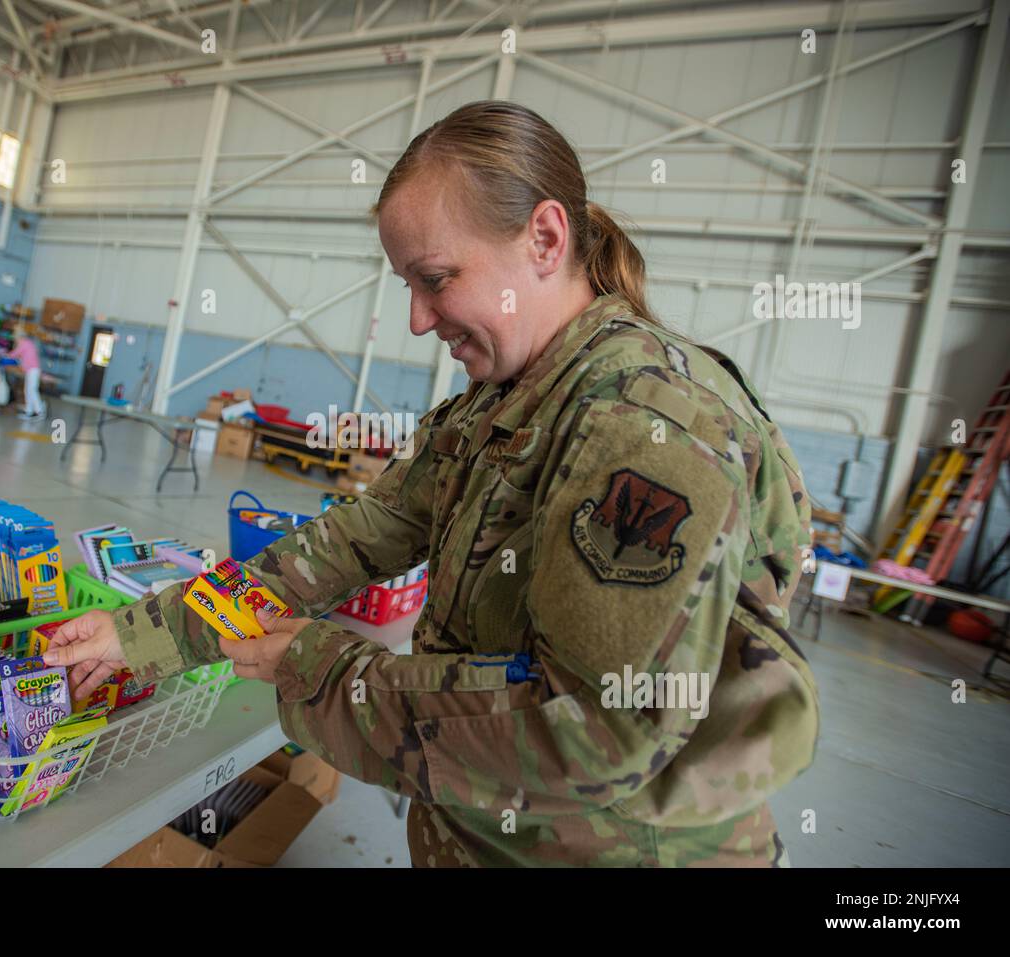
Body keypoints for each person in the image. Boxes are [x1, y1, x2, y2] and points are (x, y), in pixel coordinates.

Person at [45, 101, 819, 868]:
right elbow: (348, 540)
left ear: (545, 239)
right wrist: (143, 633)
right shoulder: (498, 403)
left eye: (437, 278)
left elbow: (591, 726)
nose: (418, 319)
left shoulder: (648, 426)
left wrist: (315, 666)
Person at [6, 324, 45, 420]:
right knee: (28, 390)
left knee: (32, 390)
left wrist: (6, 355)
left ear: (19, 337)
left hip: (33, 370)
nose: (15, 340)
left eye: (15, 337)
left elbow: (15, 354)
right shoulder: (27, 343)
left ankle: (39, 412)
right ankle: (29, 411)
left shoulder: (24, 343)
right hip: (31, 370)